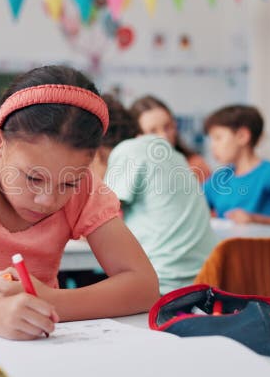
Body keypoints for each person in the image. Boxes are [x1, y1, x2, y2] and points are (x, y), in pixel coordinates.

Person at [0, 65, 159, 340]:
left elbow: (143, 285)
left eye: (69, 182)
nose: (48, 200)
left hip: (32, 351)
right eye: (32, 178)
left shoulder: (85, 189)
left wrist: (53, 301)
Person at [92, 96, 217, 294]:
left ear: (95, 153)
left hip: (164, 286)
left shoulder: (127, 152)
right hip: (207, 279)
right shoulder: (172, 154)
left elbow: (97, 220)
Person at [202, 105, 270, 228]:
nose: (212, 146)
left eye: (218, 138)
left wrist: (255, 220)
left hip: (262, 246)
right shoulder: (218, 178)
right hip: (227, 245)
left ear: (242, 136)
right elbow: (194, 210)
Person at [129, 95, 212, 183]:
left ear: (175, 125)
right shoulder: (130, 170)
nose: (164, 136)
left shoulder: (196, 165)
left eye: (167, 127)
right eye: (153, 131)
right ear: (138, 136)